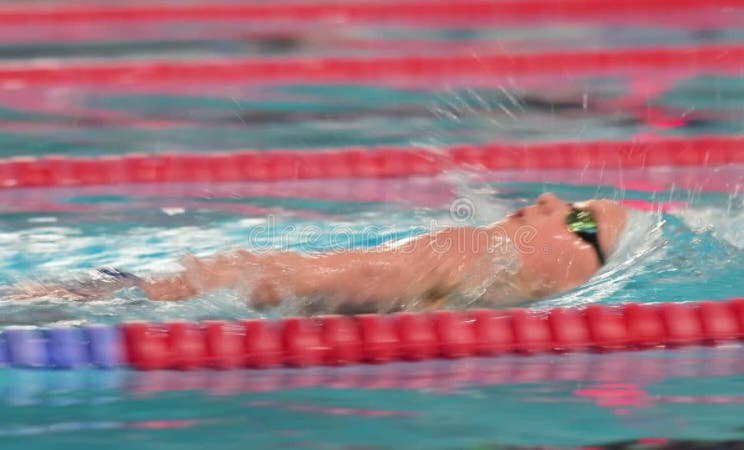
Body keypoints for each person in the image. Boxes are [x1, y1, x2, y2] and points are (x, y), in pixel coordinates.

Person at [10, 193, 627, 314]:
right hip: (175, 297)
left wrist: (152, 291)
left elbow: (308, 274)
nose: (548, 197)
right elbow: (332, 274)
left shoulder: (470, 253)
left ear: (571, 263)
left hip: (169, 296)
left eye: (574, 215)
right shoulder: (470, 257)